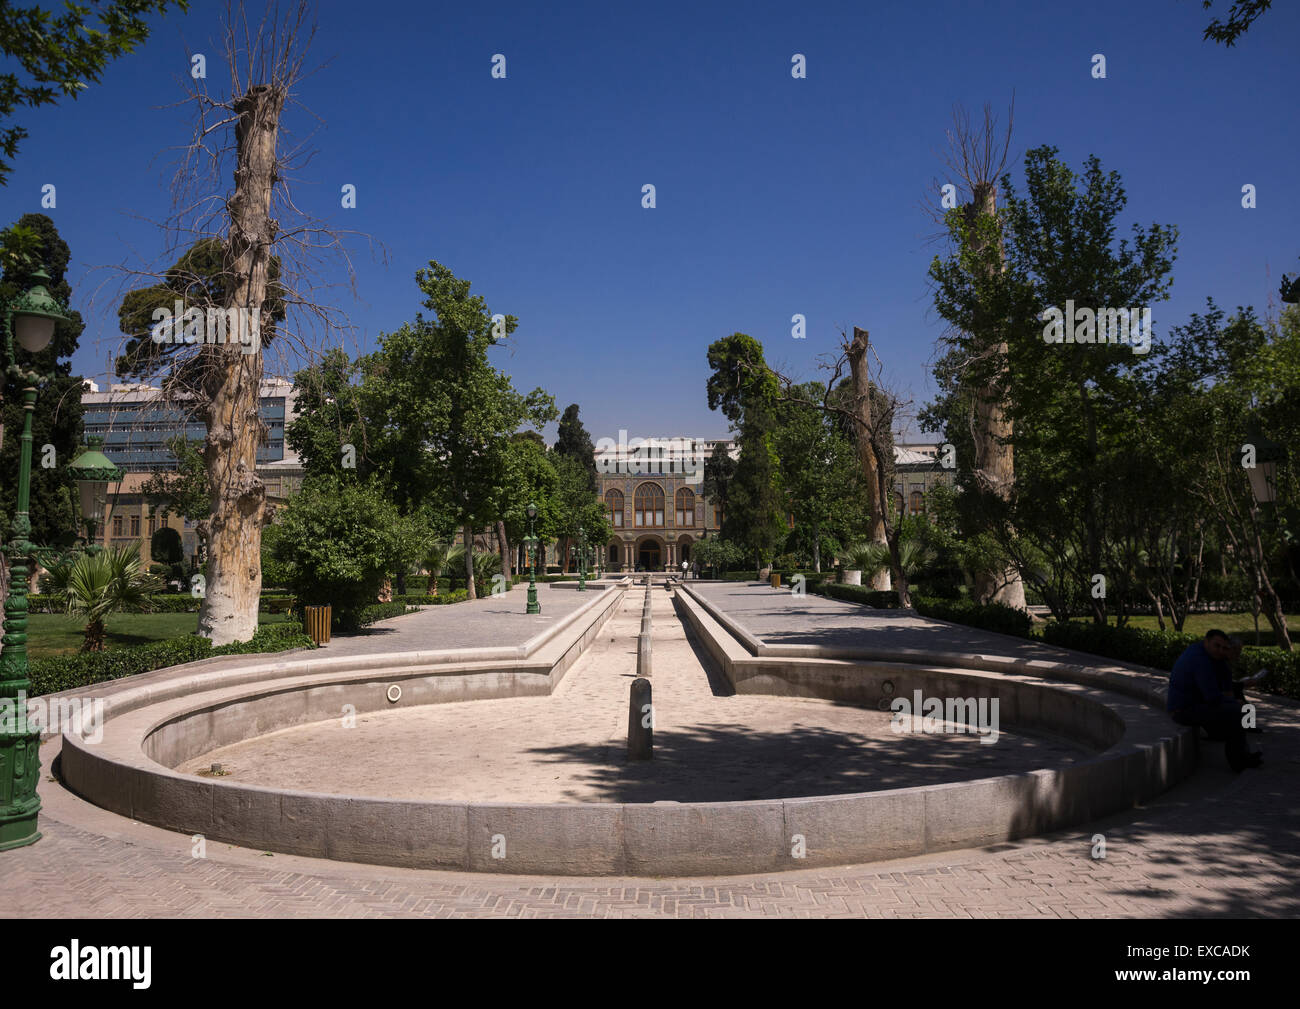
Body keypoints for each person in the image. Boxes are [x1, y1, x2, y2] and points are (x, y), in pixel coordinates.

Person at [1167, 629, 1261, 771]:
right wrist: (1234, 703)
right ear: (1207, 641)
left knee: (1235, 709)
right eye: (1217, 646)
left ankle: (1243, 755)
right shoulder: (1201, 660)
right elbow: (1213, 697)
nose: (1220, 651)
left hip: (1190, 705)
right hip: (1183, 710)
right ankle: (1239, 761)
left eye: (1224, 648)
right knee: (1236, 711)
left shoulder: (1202, 652)